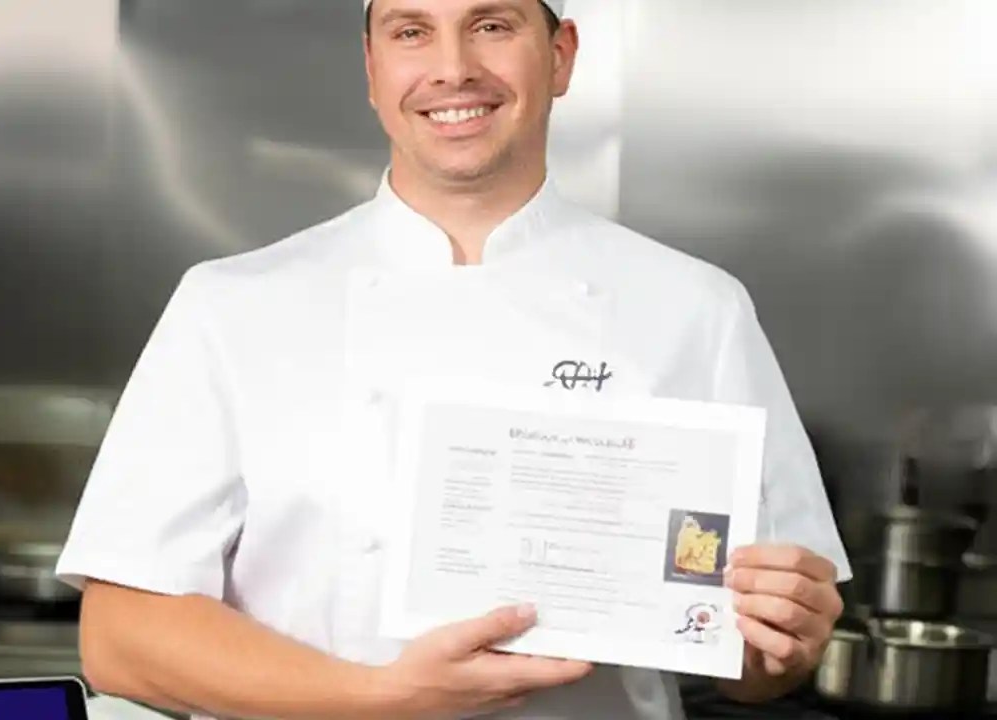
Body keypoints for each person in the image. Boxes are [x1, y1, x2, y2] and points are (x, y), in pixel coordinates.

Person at [54, 0, 852, 717]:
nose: (453, 68)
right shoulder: (231, 306)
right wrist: (382, 700)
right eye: (411, 31)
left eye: (492, 25)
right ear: (373, 68)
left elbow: (757, 658)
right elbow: (122, 638)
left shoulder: (697, 309)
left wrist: (781, 644)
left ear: (561, 55)